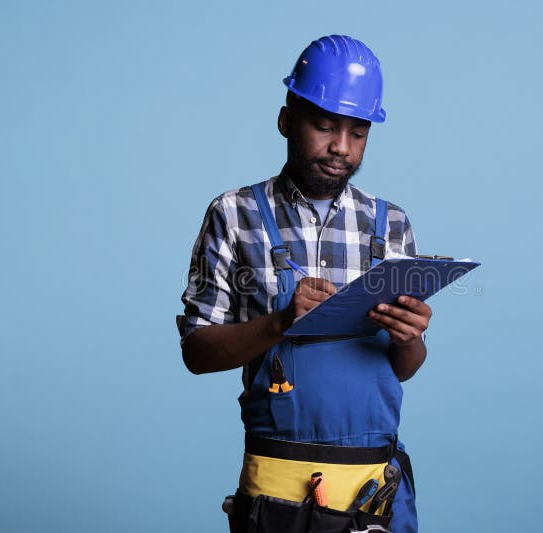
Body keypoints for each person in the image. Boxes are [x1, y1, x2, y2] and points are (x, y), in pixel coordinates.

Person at [177, 34, 432, 533]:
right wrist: (279, 323)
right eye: (325, 126)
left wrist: (411, 338)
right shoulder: (235, 215)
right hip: (278, 493)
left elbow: (404, 368)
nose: (342, 147)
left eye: (358, 133)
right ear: (286, 121)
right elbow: (196, 352)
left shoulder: (392, 224)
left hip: (374, 492)